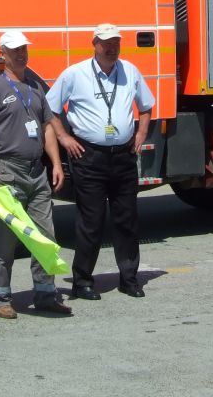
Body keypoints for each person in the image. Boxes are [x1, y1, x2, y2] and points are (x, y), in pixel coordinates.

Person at [46, 23, 154, 299]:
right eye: (106, 42)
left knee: (127, 220)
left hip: (123, 157)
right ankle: (82, 281)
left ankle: (129, 279)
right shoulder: (76, 74)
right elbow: (51, 108)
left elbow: (146, 106)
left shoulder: (129, 71)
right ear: (94, 43)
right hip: (89, 157)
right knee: (90, 222)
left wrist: (141, 132)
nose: (112, 47)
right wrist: (64, 138)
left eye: (116, 42)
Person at [0, 30, 71, 319]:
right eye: (15, 50)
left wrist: (55, 162)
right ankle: (0, 298)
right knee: (6, 238)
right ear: (2, 53)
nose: (21, 54)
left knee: (44, 234)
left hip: (36, 170)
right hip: (7, 169)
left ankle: (44, 293)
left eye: (24, 49)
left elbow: (48, 127)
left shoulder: (36, 89)